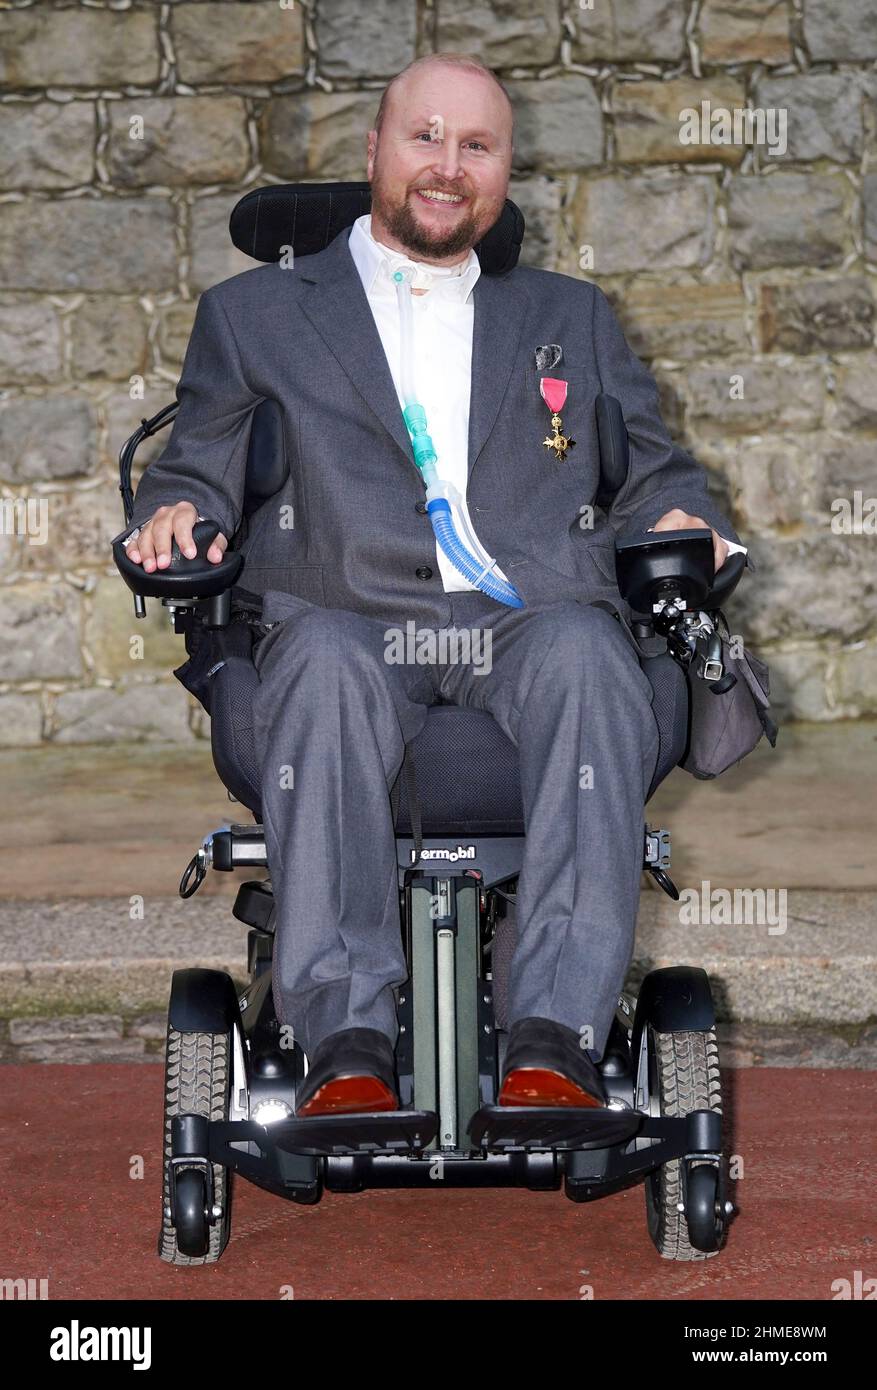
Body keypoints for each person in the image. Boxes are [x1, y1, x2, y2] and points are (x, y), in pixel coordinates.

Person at [122, 53, 747, 1117]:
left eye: (477, 145)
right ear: (374, 150)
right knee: (317, 663)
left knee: (594, 658)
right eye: (425, 137)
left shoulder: (572, 314)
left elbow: (654, 474)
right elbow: (196, 467)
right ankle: (346, 1038)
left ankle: (554, 1036)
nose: (447, 166)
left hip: (529, 617)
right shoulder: (254, 315)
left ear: (504, 171)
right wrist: (176, 512)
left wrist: (687, 520)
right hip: (343, 614)